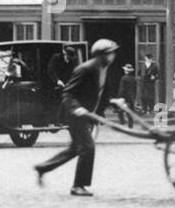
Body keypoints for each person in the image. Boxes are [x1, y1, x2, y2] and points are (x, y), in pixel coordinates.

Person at [34, 38, 119, 196]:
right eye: (110, 53)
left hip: (87, 114)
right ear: (101, 55)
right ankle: (77, 186)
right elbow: (68, 93)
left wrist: (114, 101)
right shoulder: (85, 69)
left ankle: (43, 167)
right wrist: (77, 108)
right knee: (88, 147)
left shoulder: (104, 69)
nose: (113, 56)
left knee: (75, 149)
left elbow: (103, 93)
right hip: (75, 114)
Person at [117, 63, 138, 128]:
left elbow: (122, 89)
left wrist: (119, 97)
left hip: (124, 97)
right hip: (131, 97)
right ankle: (130, 125)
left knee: (120, 110)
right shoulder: (134, 79)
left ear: (126, 71)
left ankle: (122, 122)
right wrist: (134, 97)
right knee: (130, 112)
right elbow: (135, 89)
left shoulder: (123, 78)